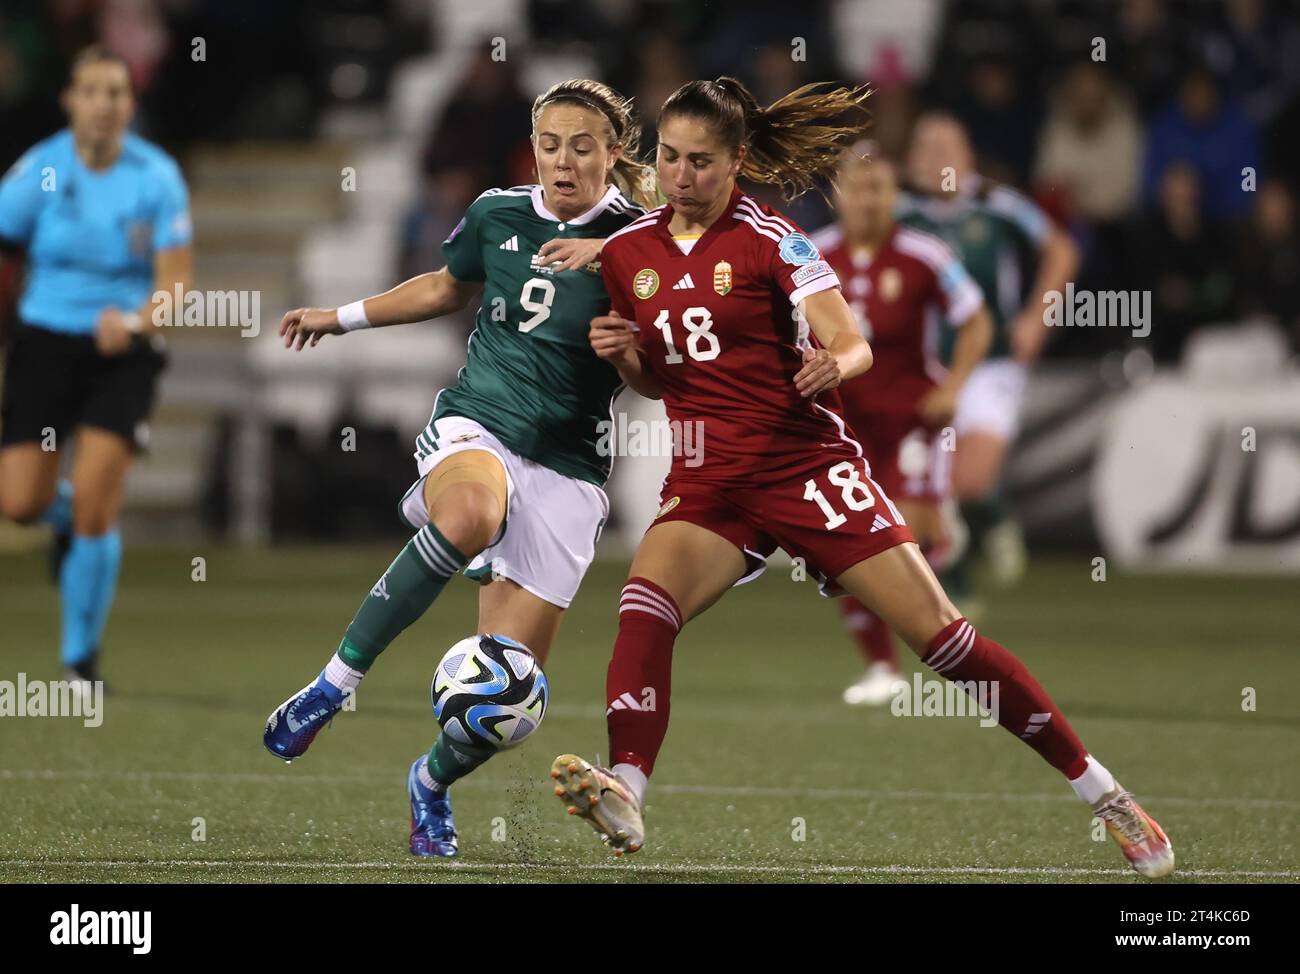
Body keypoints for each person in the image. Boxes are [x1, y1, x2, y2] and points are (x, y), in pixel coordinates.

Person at [550, 77, 1174, 879]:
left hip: (804, 466)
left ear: (738, 160)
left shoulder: (776, 239)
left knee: (946, 643)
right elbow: (662, 382)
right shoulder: (630, 251)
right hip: (708, 479)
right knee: (644, 606)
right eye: (669, 158)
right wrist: (628, 356)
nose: (680, 176)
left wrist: (830, 363)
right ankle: (627, 786)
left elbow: (852, 340)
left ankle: (1105, 794)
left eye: (700, 162)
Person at [263, 79, 656, 859]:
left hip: (571, 467)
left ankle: (430, 784)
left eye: (583, 147)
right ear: (533, 148)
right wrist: (337, 318)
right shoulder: (497, 214)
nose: (564, 162)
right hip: (480, 420)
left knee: (509, 698)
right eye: (551, 146)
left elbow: (655, 379)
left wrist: (632, 354)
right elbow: (446, 286)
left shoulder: (641, 245)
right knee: (469, 515)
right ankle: (332, 688)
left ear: (614, 153)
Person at [0, 46, 192, 689]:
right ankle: (63, 528)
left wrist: (136, 321)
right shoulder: (41, 171)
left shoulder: (156, 176)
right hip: (44, 344)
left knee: (96, 504)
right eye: (91, 92)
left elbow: (175, 285)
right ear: (70, 101)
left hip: (123, 353)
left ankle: (79, 659)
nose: (104, 105)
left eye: (116, 93)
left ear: (129, 105)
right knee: (19, 502)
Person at [811, 145, 992, 705]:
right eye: (857, 188)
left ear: (896, 195)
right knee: (842, 548)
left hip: (913, 420)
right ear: (837, 193)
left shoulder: (924, 254)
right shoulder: (809, 255)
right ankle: (883, 669)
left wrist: (955, 385)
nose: (868, 199)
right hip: (841, 427)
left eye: (879, 189)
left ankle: (951, 654)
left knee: (909, 538)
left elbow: (977, 321)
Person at [901, 112, 1079, 601]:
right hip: (927, 370)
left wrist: (1037, 317)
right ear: (912, 161)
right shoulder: (899, 216)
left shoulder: (999, 207)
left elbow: (1062, 251)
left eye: (947, 149)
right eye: (927, 150)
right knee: (926, 489)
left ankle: (994, 514)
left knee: (970, 482)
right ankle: (955, 590)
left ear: (968, 158)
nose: (938, 160)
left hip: (992, 365)